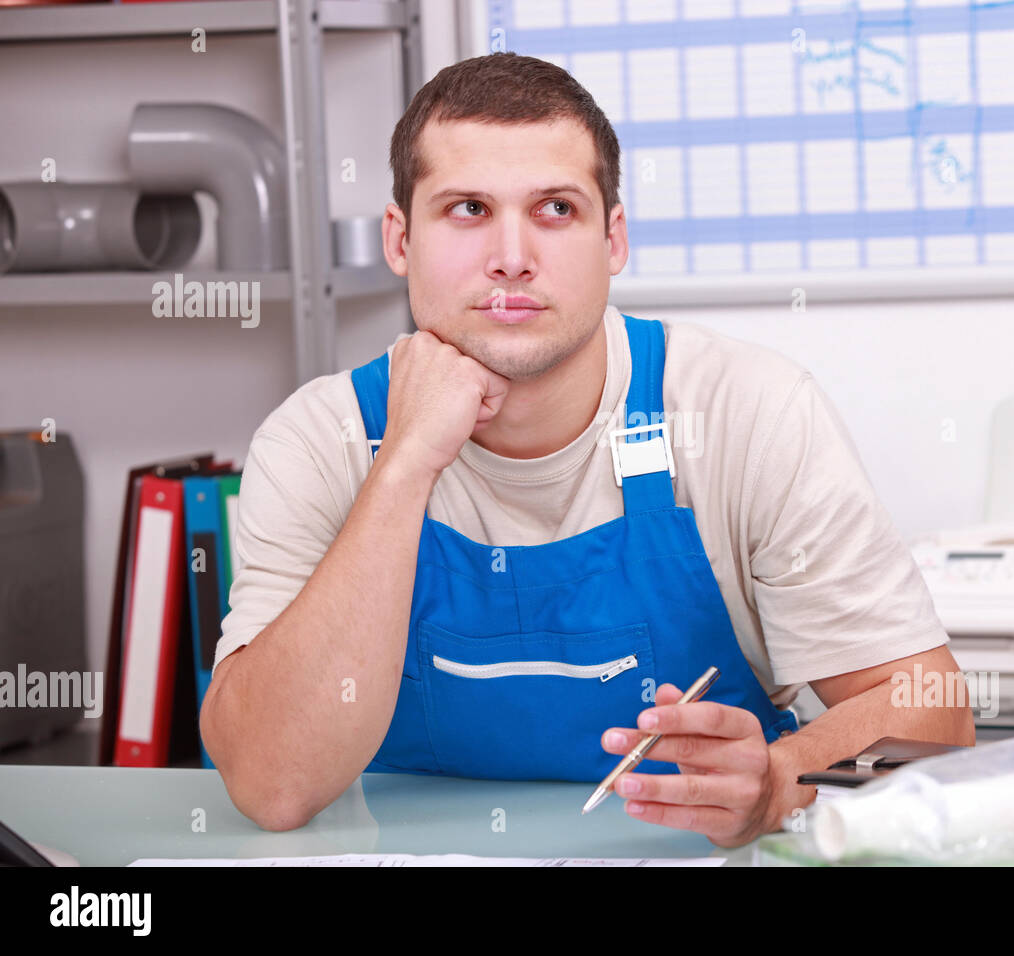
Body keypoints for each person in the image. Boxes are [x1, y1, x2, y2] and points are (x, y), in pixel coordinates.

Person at [200, 52, 974, 847]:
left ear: (614, 238)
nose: (511, 256)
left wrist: (782, 779)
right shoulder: (318, 440)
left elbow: (935, 713)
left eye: (556, 210)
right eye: (467, 208)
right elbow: (272, 785)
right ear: (400, 239)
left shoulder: (747, 413)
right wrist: (403, 465)